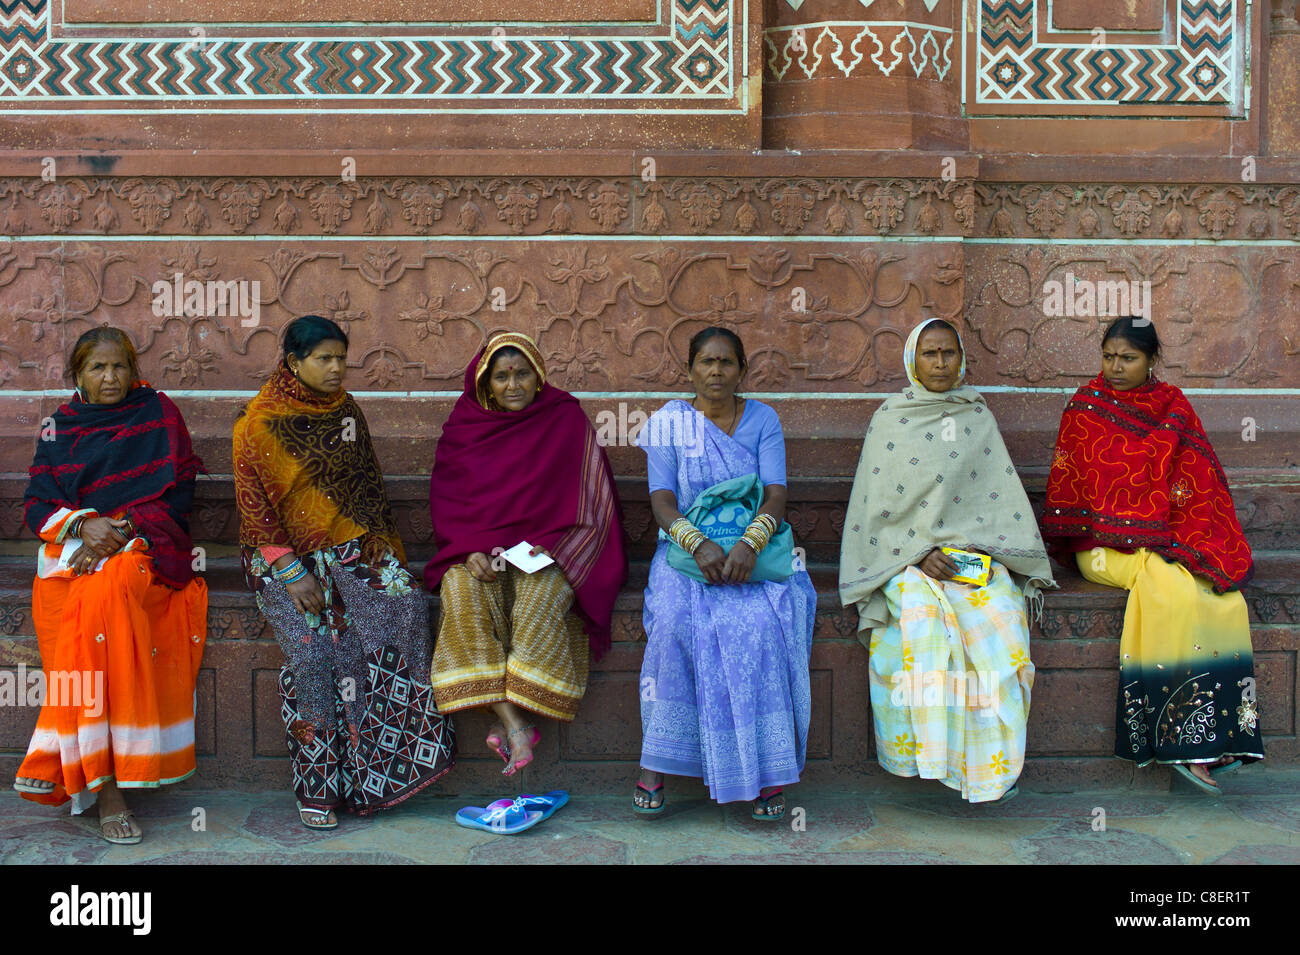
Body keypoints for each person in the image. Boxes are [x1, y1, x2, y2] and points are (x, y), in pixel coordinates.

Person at [233, 315, 453, 829]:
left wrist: (377, 546)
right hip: (282, 559)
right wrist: (292, 573)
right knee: (315, 655)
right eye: (324, 359)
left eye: (341, 358)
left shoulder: (346, 411)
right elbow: (256, 512)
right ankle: (318, 787)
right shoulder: (257, 423)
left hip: (354, 546)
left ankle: (379, 774)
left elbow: (367, 488)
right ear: (294, 363)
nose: (337, 369)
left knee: (401, 608)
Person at [1042, 316, 1262, 793]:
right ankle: (1180, 739)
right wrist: (1147, 537)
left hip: (1168, 541)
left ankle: (1222, 737)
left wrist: (1177, 539)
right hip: (1099, 546)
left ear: (1151, 361)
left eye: (1129, 358)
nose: (1116, 367)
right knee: (1169, 587)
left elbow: (1198, 485)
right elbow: (1076, 486)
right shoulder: (1085, 408)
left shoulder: (1173, 407)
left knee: (1222, 598)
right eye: (1108, 357)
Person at [839, 319, 1054, 803]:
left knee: (1002, 625)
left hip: (975, 560)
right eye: (929, 354)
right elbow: (876, 512)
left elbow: (995, 499)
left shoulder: (975, 415)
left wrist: (976, 550)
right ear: (911, 361)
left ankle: (992, 769)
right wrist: (918, 554)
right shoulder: (892, 418)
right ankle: (934, 760)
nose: (939, 363)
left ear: (962, 360)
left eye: (948, 353)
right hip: (906, 564)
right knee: (924, 625)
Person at [13, 327, 207, 845]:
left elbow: (179, 492)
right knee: (80, 610)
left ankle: (107, 790)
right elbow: (37, 501)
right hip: (72, 553)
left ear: (133, 367)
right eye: (97, 368)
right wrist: (82, 525)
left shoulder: (157, 412)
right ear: (78, 375)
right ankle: (98, 774)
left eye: (119, 366)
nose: (111, 377)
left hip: (144, 550)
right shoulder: (60, 426)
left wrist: (121, 529)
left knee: (105, 594)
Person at [632, 327, 816, 820]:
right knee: (672, 621)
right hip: (685, 549)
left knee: (765, 625)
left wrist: (750, 543)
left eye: (726, 363)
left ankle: (764, 774)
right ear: (689, 369)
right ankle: (657, 763)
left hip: (754, 545)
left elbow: (776, 494)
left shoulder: (762, 419)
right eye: (706, 363)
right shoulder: (671, 424)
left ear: (741, 371)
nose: (716, 372)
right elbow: (662, 502)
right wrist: (698, 543)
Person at [425, 332, 627, 775]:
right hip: (480, 549)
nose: (512, 385)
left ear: (539, 378)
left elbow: (593, 503)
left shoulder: (566, 420)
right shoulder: (464, 428)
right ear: (485, 384)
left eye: (522, 375)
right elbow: (449, 503)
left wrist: (555, 548)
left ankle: (515, 718)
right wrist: (467, 549)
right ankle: (514, 722)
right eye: (501, 376)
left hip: (548, 550)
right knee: (460, 590)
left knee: (541, 596)